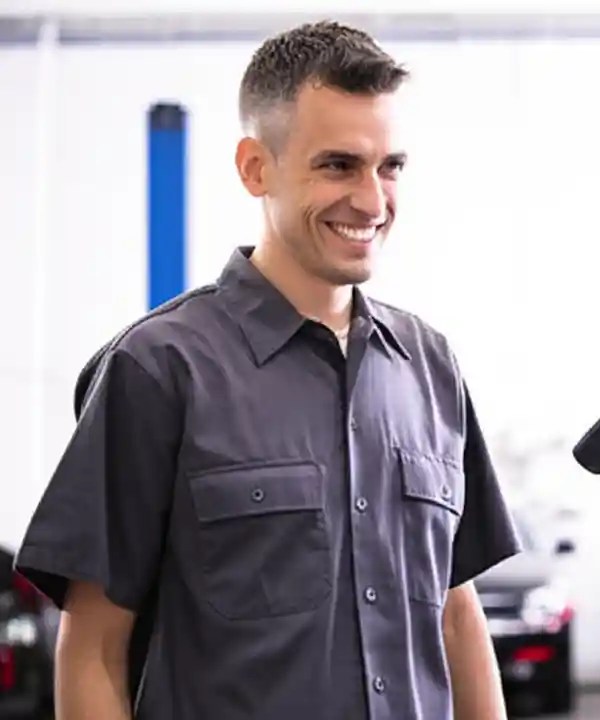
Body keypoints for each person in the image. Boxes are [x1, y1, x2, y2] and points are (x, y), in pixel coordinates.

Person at [13, 21, 520, 720]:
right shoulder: (158, 370)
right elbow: (93, 646)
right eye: (339, 166)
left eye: (390, 166)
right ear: (256, 167)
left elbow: (456, 616)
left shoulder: (429, 366)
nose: (373, 201)